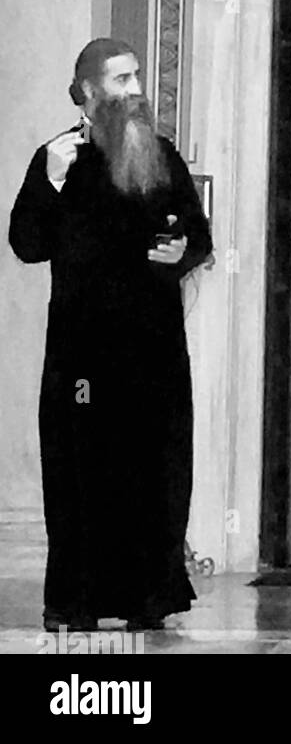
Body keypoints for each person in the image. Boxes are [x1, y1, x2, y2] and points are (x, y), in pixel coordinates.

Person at [8, 38, 212, 632]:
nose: (136, 90)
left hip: (154, 351)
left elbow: (197, 237)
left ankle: (150, 598)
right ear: (88, 91)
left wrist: (182, 251)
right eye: (122, 79)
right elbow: (27, 244)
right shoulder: (58, 159)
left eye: (137, 75)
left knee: (155, 475)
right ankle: (75, 602)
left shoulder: (161, 156)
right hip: (83, 357)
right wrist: (48, 181)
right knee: (81, 480)